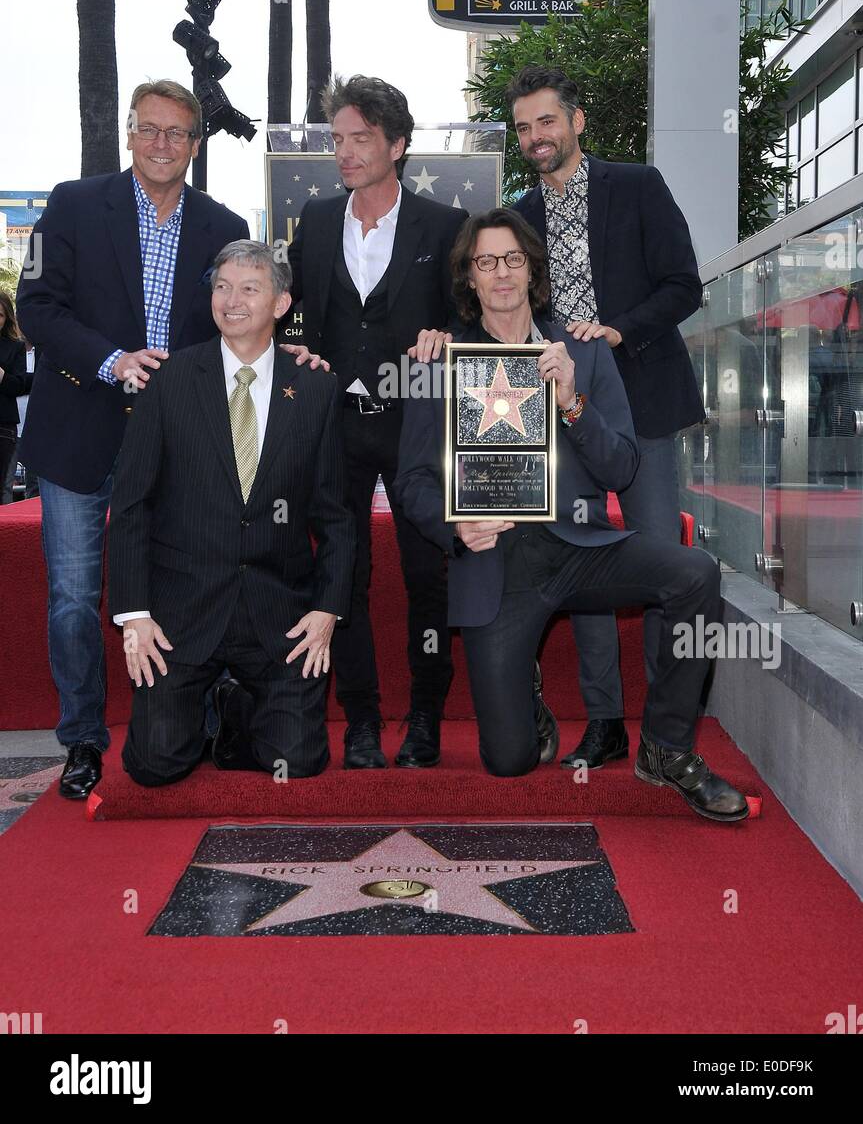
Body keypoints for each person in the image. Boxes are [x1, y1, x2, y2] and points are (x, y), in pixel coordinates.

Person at [395, 211, 747, 822]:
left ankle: (666, 749)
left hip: (578, 545)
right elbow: (413, 481)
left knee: (694, 572)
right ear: (469, 279)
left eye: (512, 260)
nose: (501, 274)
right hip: (495, 563)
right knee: (509, 761)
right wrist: (454, 528)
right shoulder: (441, 360)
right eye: (486, 262)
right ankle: (528, 703)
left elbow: (622, 469)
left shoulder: (580, 352)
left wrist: (572, 404)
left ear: (532, 270)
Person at [16, 80, 250, 799]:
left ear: (195, 143)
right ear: (129, 134)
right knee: (73, 598)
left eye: (176, 133)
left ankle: (196, 724)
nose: (161, 143)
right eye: (149, 129)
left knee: (189, 590)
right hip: (79, 435)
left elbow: (243, 323)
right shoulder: (73, 205)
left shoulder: (225, 226)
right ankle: (83, 739)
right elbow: (37, 305)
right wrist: (112, 360)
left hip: (178, 446)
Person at [508, 65, 706, 772]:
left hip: (644, 402)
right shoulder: (518, 219)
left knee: (663, 566)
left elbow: (684, 285)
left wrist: (620, 331)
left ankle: (664, 731)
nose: (536, 136)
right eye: (524, 126)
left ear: (576, 121)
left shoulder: (636, 187)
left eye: (546, 122)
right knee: (586, 563)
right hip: (566, 414)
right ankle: (604, 724)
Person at [108, 241, 355, 786]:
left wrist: (326, 611)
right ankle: (204, 704)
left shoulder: (315, 386)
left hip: (278, 611)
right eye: (222, 287)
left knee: (298, 764)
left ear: (281, 303)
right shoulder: (167, 381)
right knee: (153, 766)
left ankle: (234, 709)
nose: (232, 300)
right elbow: (130, 506)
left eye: (250, 288)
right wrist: (134, 614)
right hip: (180, 614)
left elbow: (335, 515)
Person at [286, 76, 467, 771]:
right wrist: (292, 345)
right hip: (339, 427)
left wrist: (448, 336)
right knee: (343, 573)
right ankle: (360, 719)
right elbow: (292, 310)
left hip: (416, 425)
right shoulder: (317, 219)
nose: (344, 152)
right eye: (337, 139)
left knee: (428, 574)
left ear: (396, 144)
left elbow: (470, 316)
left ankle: (423, 720)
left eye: (359, 138)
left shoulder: (444, 227)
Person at [0, 292, 27, 495]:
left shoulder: (15, 347)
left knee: (3, 488)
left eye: (0, 315)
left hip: (4, 426)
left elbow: (18, 385)